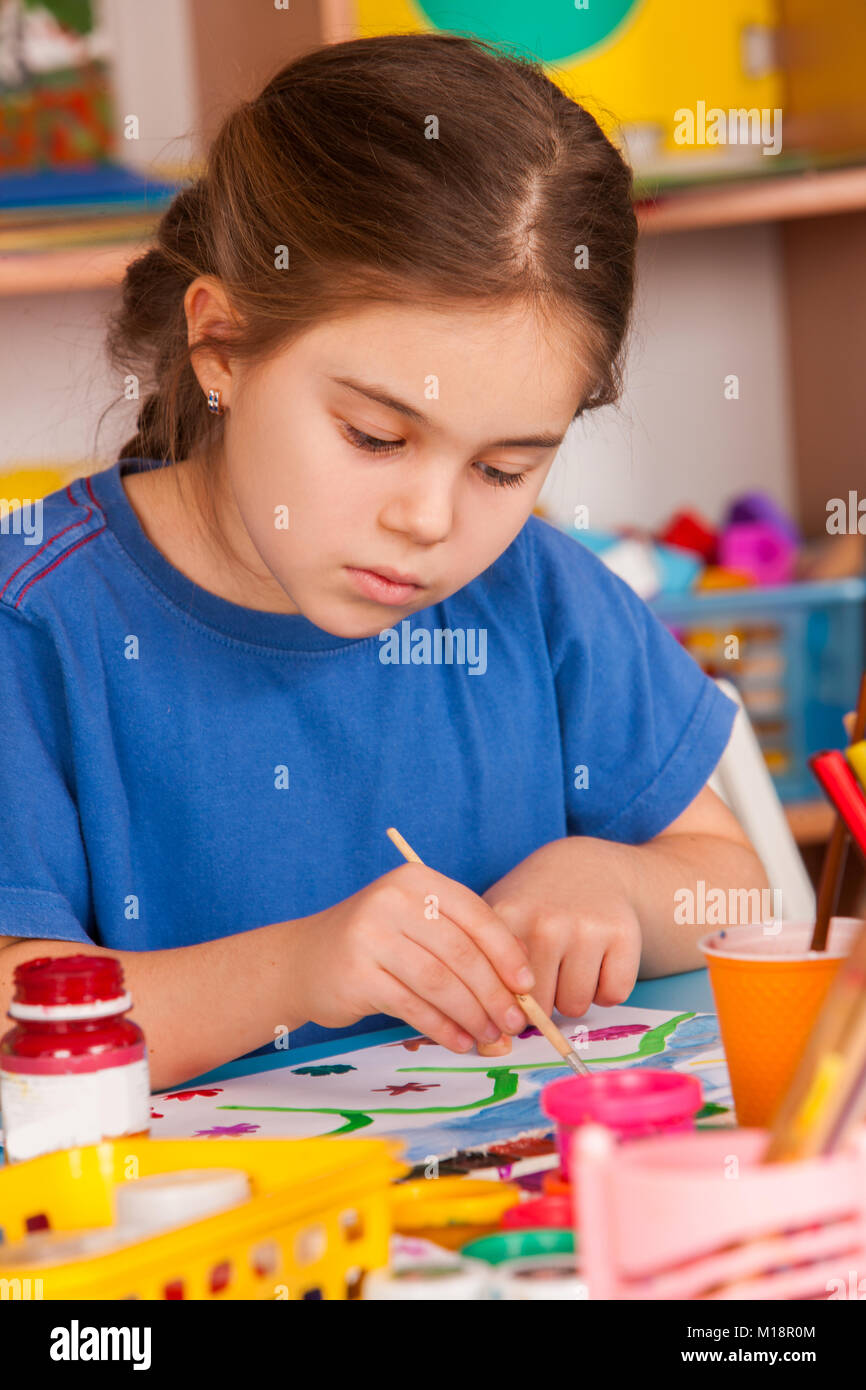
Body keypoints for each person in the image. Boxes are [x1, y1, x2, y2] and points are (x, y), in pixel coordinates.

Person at [0, 34, 766, 1090]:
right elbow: (16, 1034)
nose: (428, 519)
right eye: (374, 435)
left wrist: (612, 884)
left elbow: (737, 885)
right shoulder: (35, 625)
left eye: (503, 468)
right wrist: (296, 971)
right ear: (220, 347)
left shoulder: (535, 597)